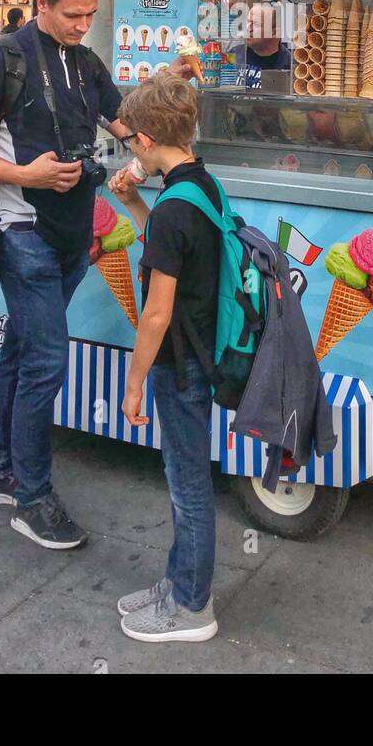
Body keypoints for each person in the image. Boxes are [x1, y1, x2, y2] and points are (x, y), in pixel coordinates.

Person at [0, 0, 131, 550]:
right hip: (23, 234)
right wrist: (25, 174)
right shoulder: (2, 62)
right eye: (73, 14)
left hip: (74, 238)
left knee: (22, 356)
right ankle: (31, 496)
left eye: (91, 14)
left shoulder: (84, 60)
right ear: (42, 2)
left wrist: (153, 141)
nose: (82, 24)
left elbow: (121, 119)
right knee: (46, 363)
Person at [109, 74, 221, 644]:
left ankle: (193, 607)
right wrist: (132, 203)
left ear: (149, 139)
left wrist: (133, 384)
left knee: (187, 485)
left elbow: (156, 312)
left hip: (178, 363)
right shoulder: (198, 187)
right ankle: (177, 582)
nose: (131, 151)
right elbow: (172, 250)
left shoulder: (176, 207)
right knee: (185, 478)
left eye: (132, 142)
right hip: (200, 352)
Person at [235, 0, 291, 89]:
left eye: (256, 24)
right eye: (248, 22)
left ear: (275, 32)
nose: (248, 28)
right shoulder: (235, 54)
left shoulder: (289, 65)